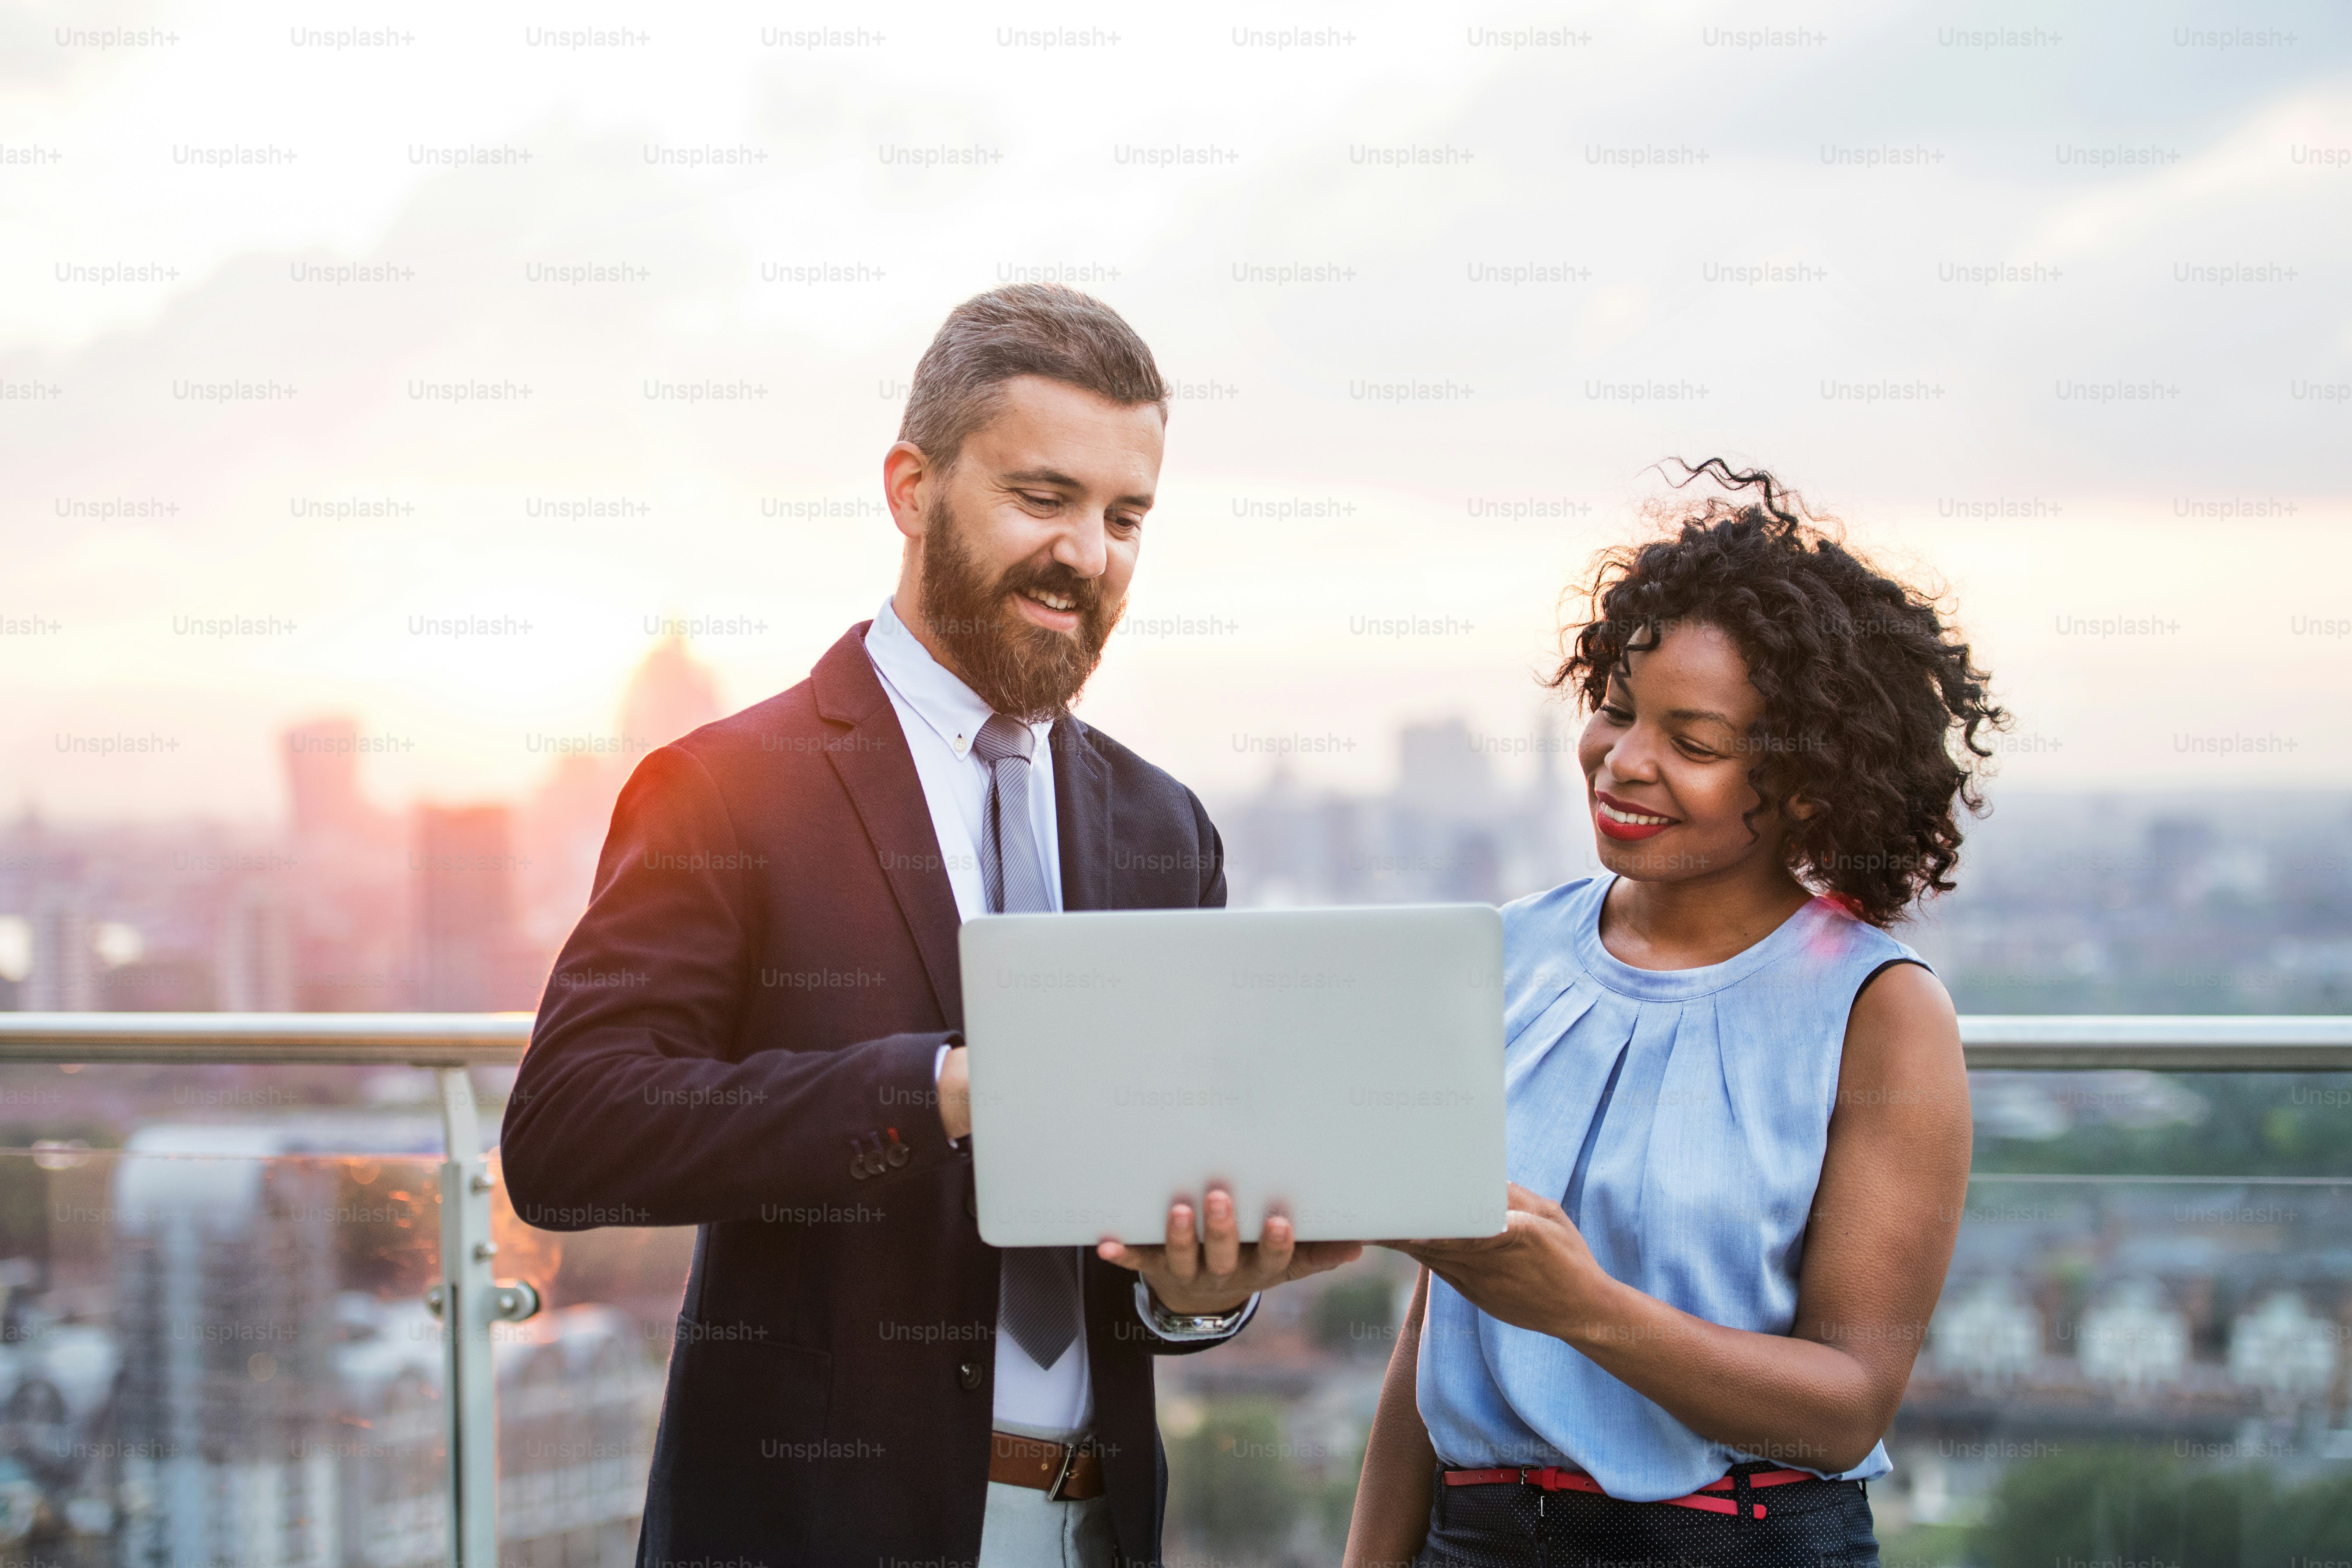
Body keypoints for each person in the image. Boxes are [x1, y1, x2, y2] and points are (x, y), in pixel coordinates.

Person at [502, 284, 1358, 1568]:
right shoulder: (725, 788)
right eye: (1042, 498)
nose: (1089, 553)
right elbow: (569, 1137)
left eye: (1125, 517)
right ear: (911, 488)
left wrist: (1204, 1290)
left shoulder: (1162, 827)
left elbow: (1164, 1225)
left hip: (1098, 1529)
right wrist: (942, 1087)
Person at [1343, 461, 2000, 1567]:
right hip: (1475, 1540)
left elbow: (1846, 1405)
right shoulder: (1502, 954)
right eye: (1614, 711)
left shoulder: (1877, 1009)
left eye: (1691, 744)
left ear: (1805, 782)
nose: (1624, 762)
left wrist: (1583, 1308)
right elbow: (1435, 1332)